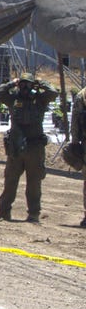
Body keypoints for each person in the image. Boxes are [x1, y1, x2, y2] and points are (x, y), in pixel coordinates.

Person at [0, 73, 59, 223]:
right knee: (10, 181)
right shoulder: (13, 99)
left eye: (28, 84)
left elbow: (53, 92)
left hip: (35, 147)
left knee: (34, 183)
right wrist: (12, 83)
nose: (25, 87)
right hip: (16, 148)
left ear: (33, 86)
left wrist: (41, 82)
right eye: (23, 84)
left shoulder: (39, 100)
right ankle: (3, 211)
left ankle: (33, 213)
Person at [70, 86, 86, 228]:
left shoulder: (83, 95)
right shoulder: (83, 96)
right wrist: (75, 142)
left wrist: (75, 141)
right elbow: (76, 118)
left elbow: (75, 118)